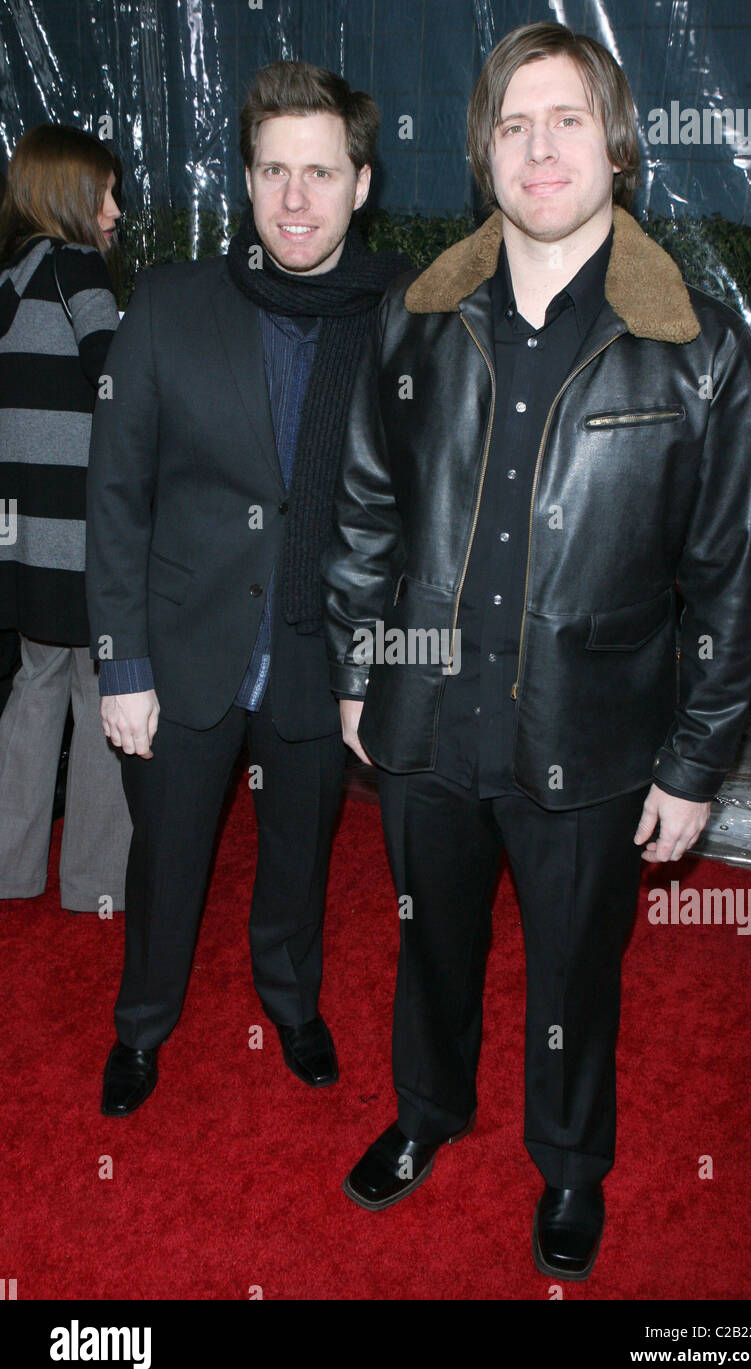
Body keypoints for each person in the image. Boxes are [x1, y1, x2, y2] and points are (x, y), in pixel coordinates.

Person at [322, 21, 751, 1279]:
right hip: (424, 722)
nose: (537, 145)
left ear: (615, 145)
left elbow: (726, 579)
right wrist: (361, 668)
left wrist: (692, 763)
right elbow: (361, 508)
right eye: (511, 123)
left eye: (565, 118)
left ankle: (569, 1168)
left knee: (576, 973)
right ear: (482, 154)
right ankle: (426, 1114)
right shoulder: (417, 321)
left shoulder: (695, 346)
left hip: (593, 733)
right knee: (427, 941)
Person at [85, 61, 407, 1117]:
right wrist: (122, 663)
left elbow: (412, 509)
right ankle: (142, 1025)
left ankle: (292, 1003)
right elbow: (118, 496)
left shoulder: (400, 317)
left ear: (360, 183)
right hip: (182, 649)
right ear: (248, 175)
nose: (294, 199)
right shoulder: (172, 304)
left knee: (299, 865)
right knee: (165, 862)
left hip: (319, 652)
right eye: (274, 170)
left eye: (319, 172)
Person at [0, 124, 131, 913]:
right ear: (68, 196)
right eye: (104, 193)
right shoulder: (77, 266)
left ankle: (11, 871)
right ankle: (94, 885)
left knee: (34, 686)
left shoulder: (12, 274)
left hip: (18, 536)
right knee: (106, 696)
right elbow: (112, 373)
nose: (114, 210)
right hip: (79, 533)